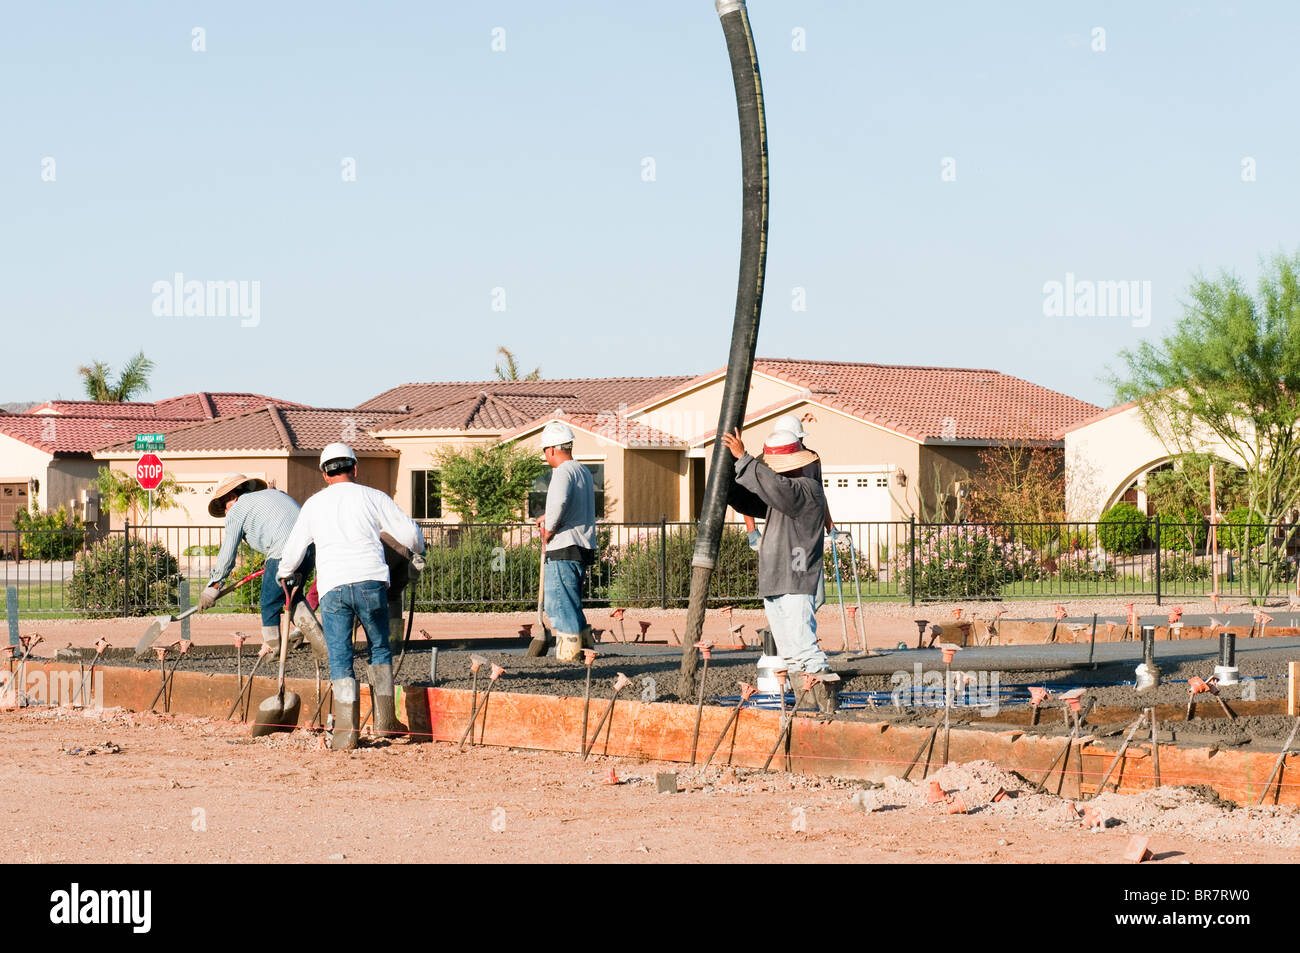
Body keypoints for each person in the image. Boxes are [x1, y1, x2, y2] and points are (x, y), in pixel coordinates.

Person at [276, 443, 426, 750]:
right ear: (355, 468)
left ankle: (346, 732)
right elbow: (410, 535)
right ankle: (386, 721)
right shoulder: (373, 497)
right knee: (380, 647)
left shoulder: (314, 504)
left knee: (341, 654)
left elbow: (294, 550)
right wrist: (420, 550)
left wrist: (284, 572)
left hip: (333, 588)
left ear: (324, 474)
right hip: (371, 581)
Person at [722, 426, 838, 708]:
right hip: (777, 578)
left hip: (794, 579)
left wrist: (743, 457)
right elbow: (751, 499)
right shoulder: (786, 495)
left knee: (804, 648)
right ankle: (807, 704)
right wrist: (728, 476)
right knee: (790, 651)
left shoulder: (804, 490)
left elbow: (773, 486)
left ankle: (825, 703)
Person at [202, 474, 325, 660]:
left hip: (282, 552)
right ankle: (323, 646)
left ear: (232, 496)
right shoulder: (275, 495)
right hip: (309, 550)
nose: (226, 513)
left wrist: (213, 586)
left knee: (269, 603)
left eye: (225, 506)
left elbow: (228, 552)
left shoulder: (237, 509)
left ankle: (273, 651)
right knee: (294, 597)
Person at [532, 421, 597, 662]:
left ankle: (569, 657)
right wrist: (547, 518)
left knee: (559, 604)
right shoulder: (583, 471)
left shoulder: (562, 472)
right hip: (581, 545)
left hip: (563, 546)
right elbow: (572, 507)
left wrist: (548, 529)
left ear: (551, 449)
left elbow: (559, 504)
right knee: (571, 601)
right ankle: (586, 648)